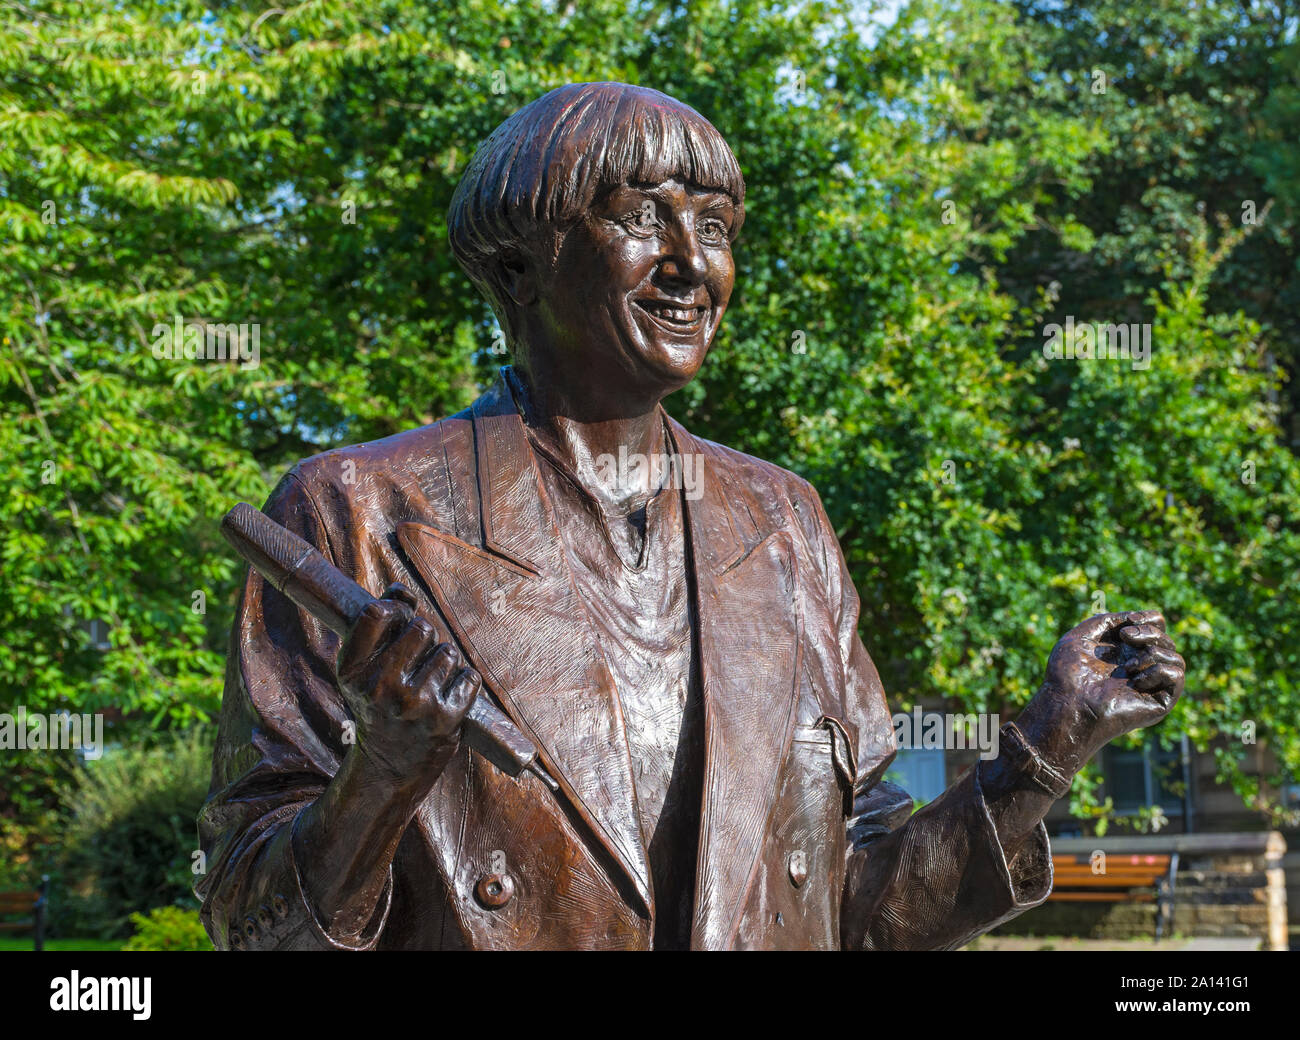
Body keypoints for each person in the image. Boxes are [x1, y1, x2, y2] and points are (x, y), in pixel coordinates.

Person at [196, 81, 1185, 950]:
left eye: (713, 227)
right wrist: (380, 776)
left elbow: (857, 903)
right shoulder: (357, 511)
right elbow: (253, 921)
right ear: (517, 269)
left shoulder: (781, 520)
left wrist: (1046, 751)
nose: (689, 262)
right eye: (641, 216)